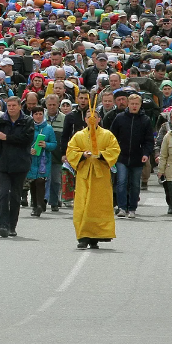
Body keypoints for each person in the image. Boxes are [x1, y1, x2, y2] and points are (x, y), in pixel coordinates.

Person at [66, 104, 121, 249]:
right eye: (89, 117)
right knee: (83, 205)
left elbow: (114, 149)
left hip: (100, 175)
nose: (92, 120)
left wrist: (102, 155)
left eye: (94, 117)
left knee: (98, 205)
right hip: (84, 174)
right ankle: (83, 236)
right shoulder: (79, 136)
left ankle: (96, 235)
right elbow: (71, 151)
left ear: (99, 119)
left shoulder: (107, 135)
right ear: (85, 119)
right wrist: (82, 155)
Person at [0, 95, 35, 238]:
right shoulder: (1, 121)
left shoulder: (27, 121)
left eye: (14, 106)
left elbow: (27, 139)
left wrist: (7, 138)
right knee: (3, 193)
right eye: (9, 106)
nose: (11, 108)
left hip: (20, 164)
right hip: (2, 163)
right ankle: (2, 225)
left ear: (20, 106)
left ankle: (12, 226)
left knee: (15, 195)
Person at [109, 92, 153, 219]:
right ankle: (122, 207)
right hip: (121, 156)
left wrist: (146, 153)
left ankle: (132, 208)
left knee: (135, 184)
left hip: (137, 157)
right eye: (132, 103)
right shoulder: (120, 118)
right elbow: (112, 137)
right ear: (128, 104)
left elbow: (149, 140)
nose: (134, 106)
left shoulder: (145, 120)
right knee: (121, 182)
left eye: (137, 104)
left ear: (140, 105)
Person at [25, 105, 58, 218]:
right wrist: (28, 150)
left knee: (40, 181)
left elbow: (54, 144)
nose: (38, 116)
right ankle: (35, 204)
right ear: (32, 115)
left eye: (40, 114)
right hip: (31, 159)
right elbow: (23, 142)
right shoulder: (28, 127)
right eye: (35, 114)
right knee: (33, 182)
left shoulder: (48, 128)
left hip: (43, 160)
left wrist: (46, 145)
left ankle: (40, 204)